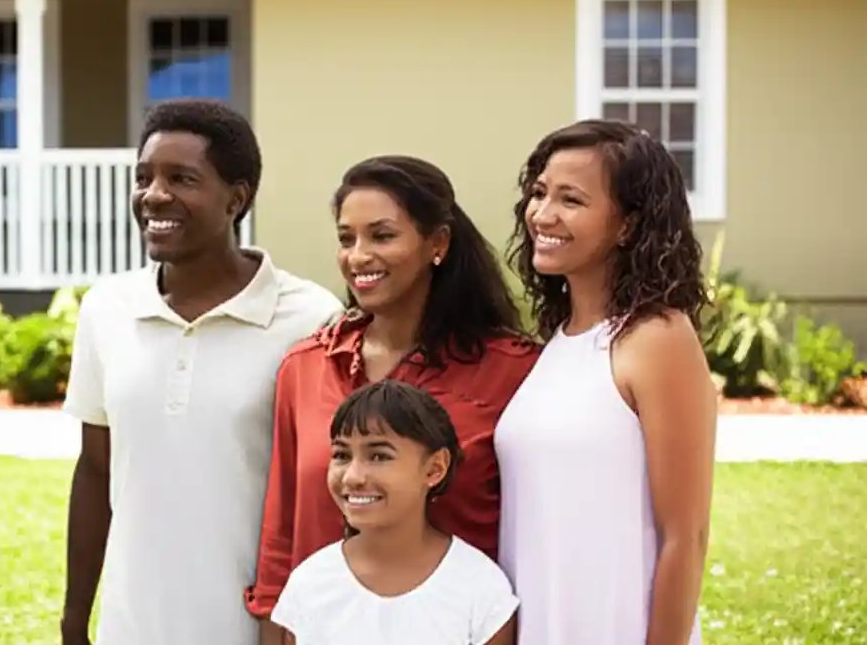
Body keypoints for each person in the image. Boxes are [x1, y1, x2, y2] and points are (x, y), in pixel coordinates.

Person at [59, 98, 344, 645]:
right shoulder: (107, 308)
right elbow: (95, 471)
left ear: (237, 199)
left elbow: (326, 491)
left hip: (257, 628)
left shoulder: (309, 318)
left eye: (181, 178)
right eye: (144, 177)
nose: (154, 195)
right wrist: (75, 621)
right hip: (133, 627)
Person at [247, 155, 539, 643]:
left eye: (381, 236)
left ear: (437, 244)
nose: (358, 255)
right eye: (346, 238)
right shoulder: (307, 367)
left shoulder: (514, 371)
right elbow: (281, 537)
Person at [496, 119, 716, 644]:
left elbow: (686, 537)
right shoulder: (558, 343)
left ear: (628, 225)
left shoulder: (657, 337)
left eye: (571, 200)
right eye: (539, 193)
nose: (542, 215)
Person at [271, 379, 518, 644]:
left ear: (435, 468)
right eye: (342, 455)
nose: (353, 477)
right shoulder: (310, 584)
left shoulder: (480, 590)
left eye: (379, 456)